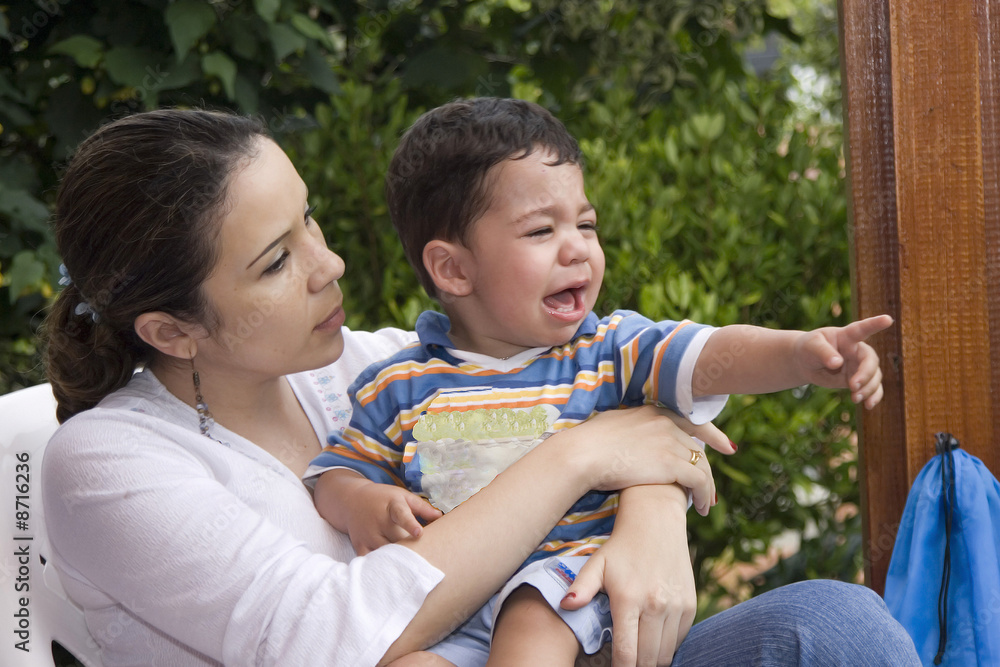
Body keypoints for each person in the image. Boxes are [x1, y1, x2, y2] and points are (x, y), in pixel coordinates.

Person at [39, 108, 917, 667]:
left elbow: (609, 387)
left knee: (836, 628)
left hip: (572, 633)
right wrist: (581, 456)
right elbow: (328, 640)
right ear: (172, 329)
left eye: (308, 218)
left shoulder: (369, 366)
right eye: (276, 260)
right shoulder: (105, 462)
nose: (329, 263)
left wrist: (649, 506)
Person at [309, 98, 904, 667]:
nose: (579, 249)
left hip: (575, 591)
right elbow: (336, 474)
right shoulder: (399, 383)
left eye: (586, 224)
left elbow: (709, 352)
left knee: (530, 616)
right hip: (460, 617)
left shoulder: (608, 350)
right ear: (454, 269)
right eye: (541, 232)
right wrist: (365, 499)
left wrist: (798, 353)